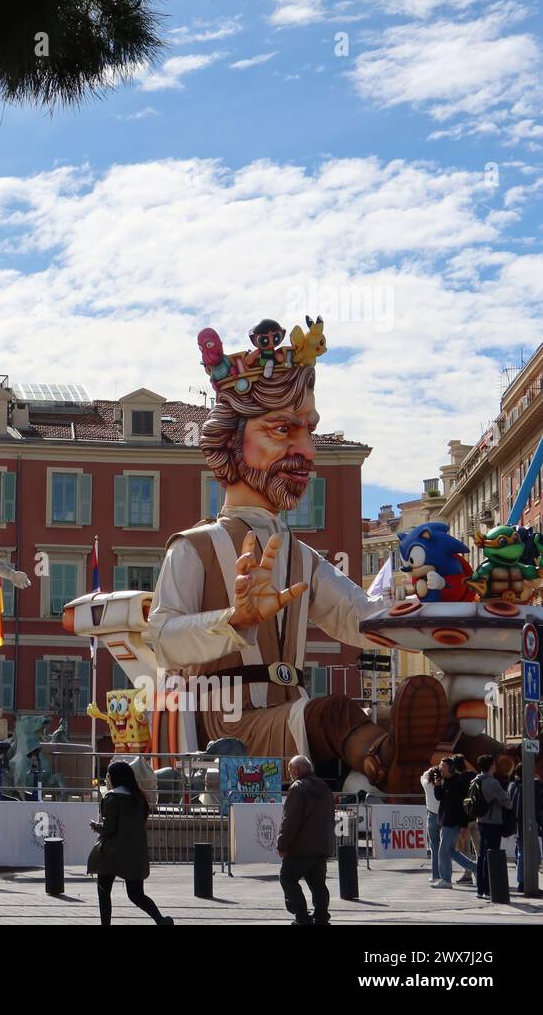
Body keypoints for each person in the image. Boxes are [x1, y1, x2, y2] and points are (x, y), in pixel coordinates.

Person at [149, 318, 445, 792]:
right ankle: (387, 761)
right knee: (332, 715)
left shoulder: (301, 557)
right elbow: (161, 639)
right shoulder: (195, 548)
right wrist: (233, 621)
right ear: (232, 442)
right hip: (228, 726)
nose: (306, 451)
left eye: (308, 431)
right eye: (283, 430)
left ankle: (389, 763)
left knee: (335, 716)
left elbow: (360, 617)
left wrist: (435, 621)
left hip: (291, 715)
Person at [88, 760, 173, 925]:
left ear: (115, 778)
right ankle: (160, 920)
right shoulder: (139, 798)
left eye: (108, 775)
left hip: (111, 854)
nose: (107, 778)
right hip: (135, 853)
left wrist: (97, 827)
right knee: (136, 894)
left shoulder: (112, 798)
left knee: (104, 890)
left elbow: (110, 829)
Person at [276, 755, 334, 925]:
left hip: (300, 847)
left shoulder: (298, 788)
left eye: (290, 770)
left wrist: (282, 844)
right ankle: (322, 917)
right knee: (318, 883)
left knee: (287, 878)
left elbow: (290, 820)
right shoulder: (324, 787)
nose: (290, 774)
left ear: (297, 770)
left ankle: (301, 916)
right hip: (321, 847)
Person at [423, 761, 474, 887]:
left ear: (450, 768)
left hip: (453, 822)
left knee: (444, 850)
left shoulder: (458, 783)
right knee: (450, 851)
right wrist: (437, 785)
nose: (440, 768)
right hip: (446, 821)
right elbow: (439, 797)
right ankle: (477, 868)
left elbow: (462, 806)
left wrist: (463, 825)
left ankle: (446, 879)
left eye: (443, 766)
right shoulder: (446, 781)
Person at [469, 754, 512, 899]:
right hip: (493, 822)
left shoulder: (476, 780)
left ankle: (480, 889)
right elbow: (507, 802)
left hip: (480, 821)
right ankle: (488, 889)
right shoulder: (492, 783)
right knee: (492, 856)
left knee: (481, 855)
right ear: (491, 765)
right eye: (494, 764)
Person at [508, 762, 543, 892]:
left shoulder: (512, 785)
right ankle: (525, 882)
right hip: (529, 823)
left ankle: (522, 881)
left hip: (516, 823)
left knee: (521, 851)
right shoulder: (535, 784)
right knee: (529, 853)